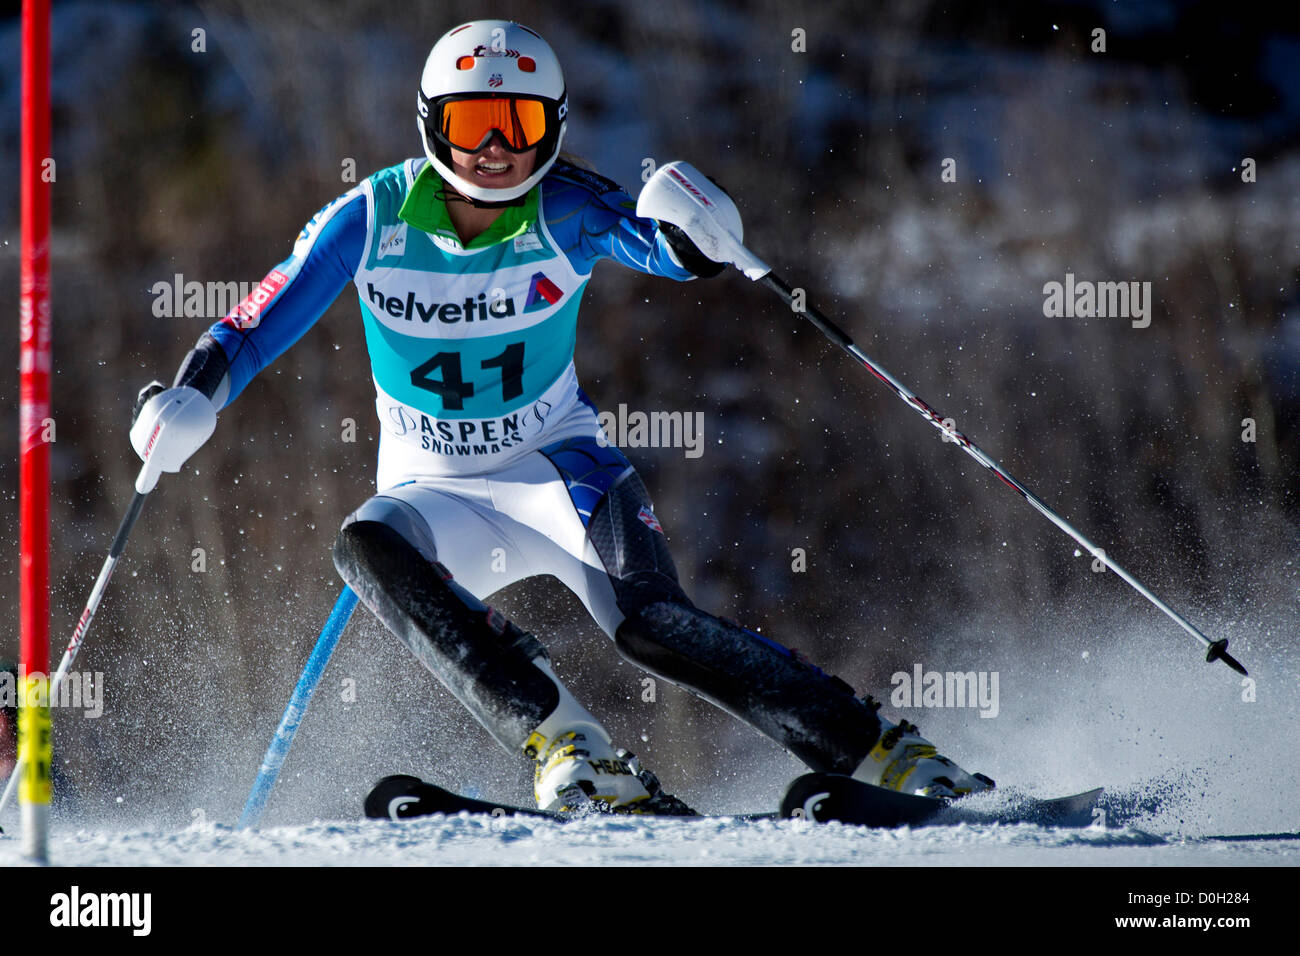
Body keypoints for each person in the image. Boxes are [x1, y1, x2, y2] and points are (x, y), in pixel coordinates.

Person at [131, 20, 993, 814]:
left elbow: (674, 252)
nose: (500, 148)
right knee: (366, 543)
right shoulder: (370, 218)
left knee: (653, 626)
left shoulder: (569, 207)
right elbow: (251, 324)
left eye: (523, 124)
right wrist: (188, 396)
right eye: (474, 125)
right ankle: (575, 751)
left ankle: (887, 754)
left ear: (556, 126)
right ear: (432, 125)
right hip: (433, 493)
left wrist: (700, 220)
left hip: (559, 472)